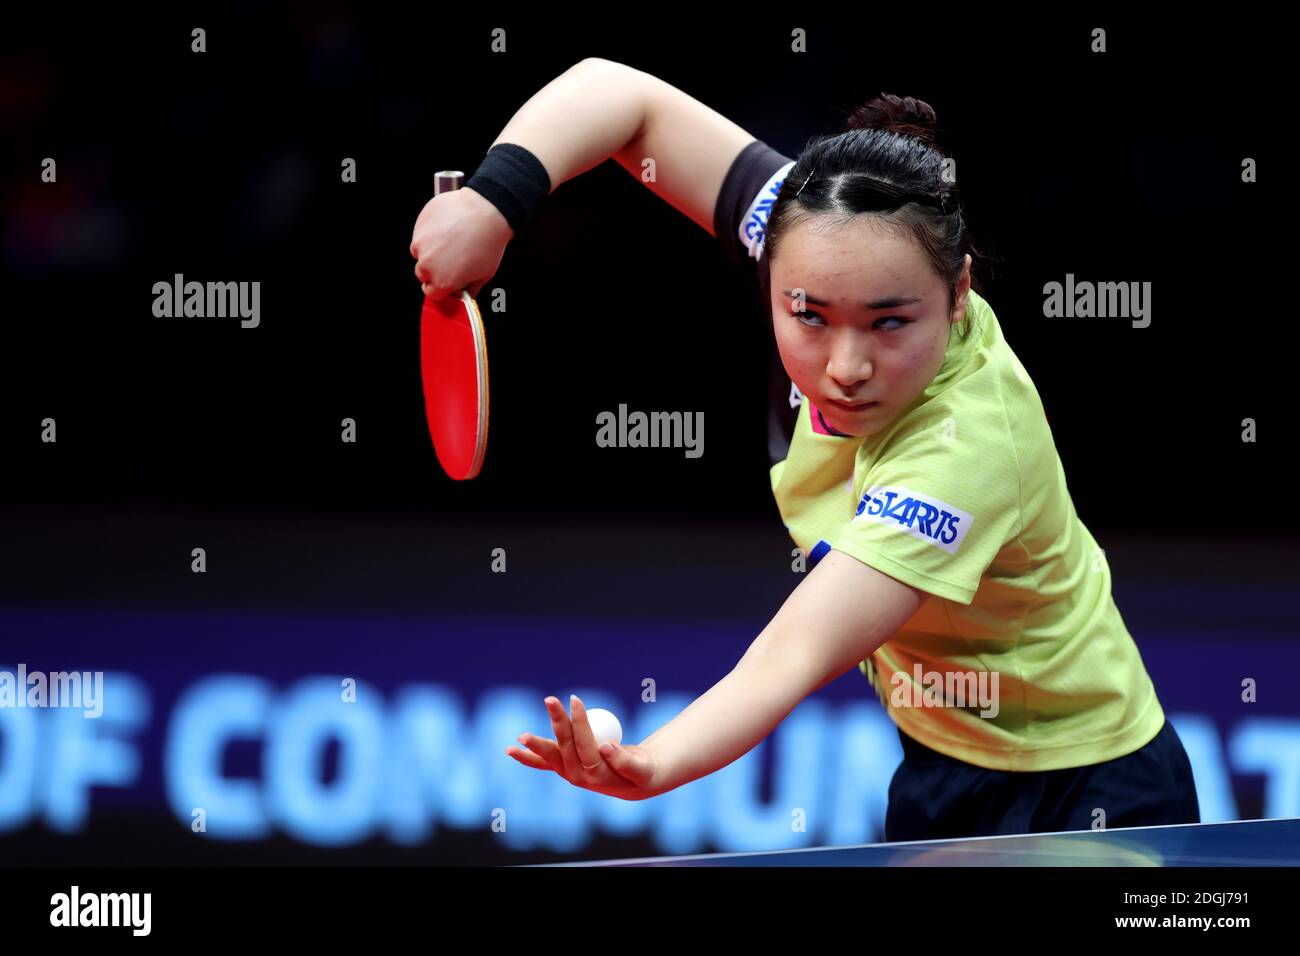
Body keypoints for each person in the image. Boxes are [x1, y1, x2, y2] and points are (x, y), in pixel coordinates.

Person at [412, 58, 1200, 840]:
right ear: (771, 271)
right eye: (810, 316)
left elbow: (791, 656)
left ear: (959, 291)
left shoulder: (967, 450)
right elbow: (623, 96)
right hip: (937, 755)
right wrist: (495, 200)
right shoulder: (820, 226)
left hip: (1089, 788)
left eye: (890, 322)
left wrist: (652, 764)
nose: (846, 367)